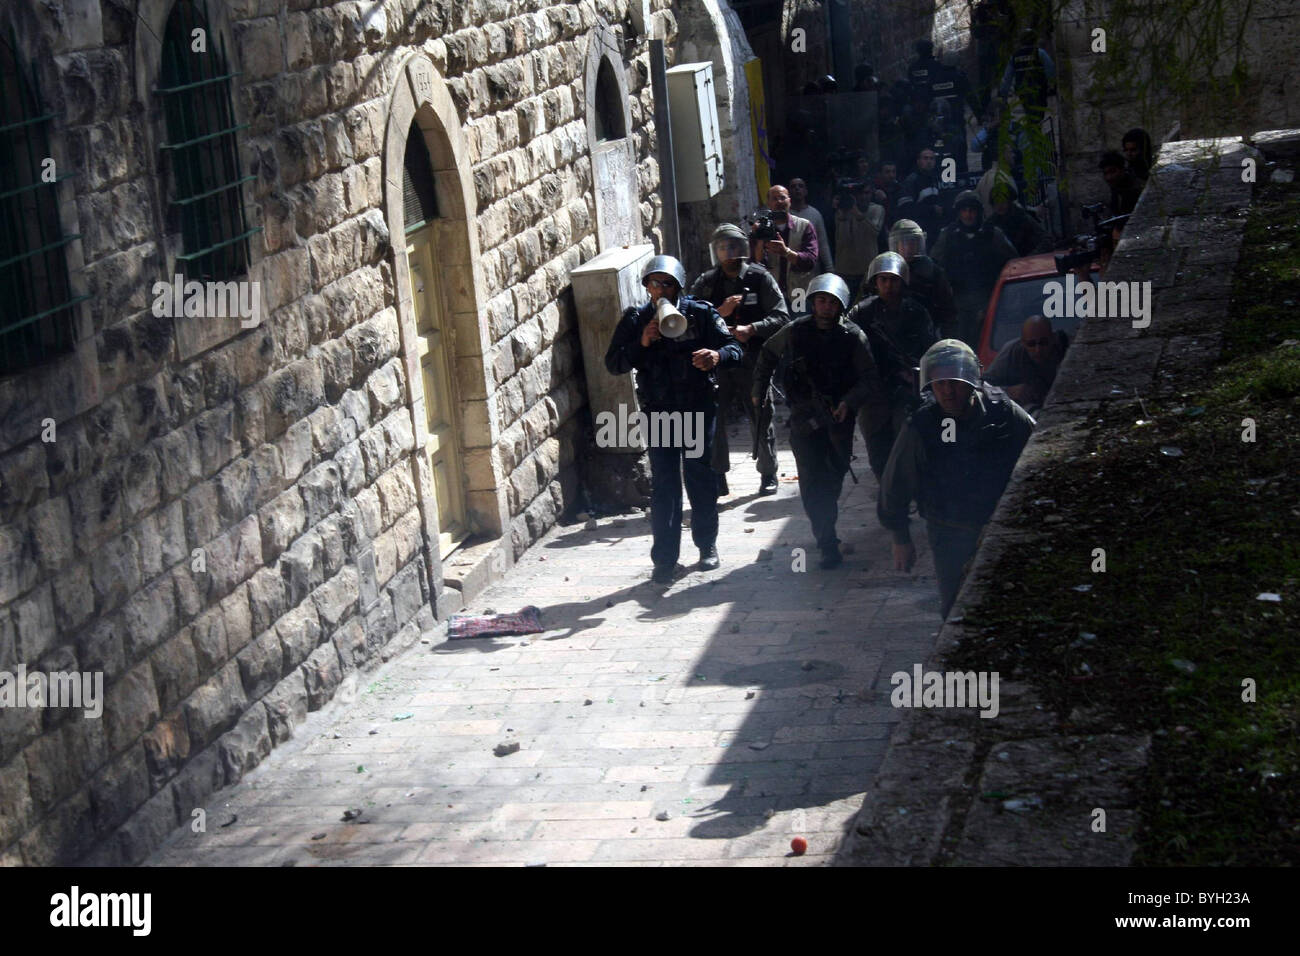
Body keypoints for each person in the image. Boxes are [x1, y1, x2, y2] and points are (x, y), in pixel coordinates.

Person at [605, 255, 743, 584]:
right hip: (660, 414)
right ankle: (665, 560)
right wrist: (642, 342)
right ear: (647, 288)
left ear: (678, 286)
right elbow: (614, 363)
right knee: (665, 487)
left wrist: (716, 356)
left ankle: (707, 546)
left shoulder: (700, 313)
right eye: (655, 284)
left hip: (696, 410)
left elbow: (735, 349)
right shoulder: (637, 319)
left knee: (700, 480)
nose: (661, 290)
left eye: (667, 284)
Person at [877, 338, 1035, 616]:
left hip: (999, 525)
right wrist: (900, 537)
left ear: (972, 381)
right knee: (957, 607)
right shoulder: (922, 426)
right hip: (949, 530)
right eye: (940, 384)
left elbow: (1037, 450)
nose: (948, 392)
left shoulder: (1002, 411)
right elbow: (895, 483)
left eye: (955, 383)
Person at [754, 275, 886, 569]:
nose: (826, 307)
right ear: (812, 302)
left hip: (838, 419)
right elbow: (767, 354)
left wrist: (848, 402)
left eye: (832, 302)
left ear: (841, 306)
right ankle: (826, 540)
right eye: (821, 301)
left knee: (834, 477)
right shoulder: (795, 331)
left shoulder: (853, 336)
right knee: (812, 481)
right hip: (803, 418)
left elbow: (870, 379)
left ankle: (826, 525)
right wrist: (759, 390)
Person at [690, 224, 789, 497]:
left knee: (761, 414)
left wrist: (752, 329)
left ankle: (768, 473)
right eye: (722, 248)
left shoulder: (759, 278)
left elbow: (782, 316)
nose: (728, 253)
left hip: (753, 359)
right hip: (718, 361)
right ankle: (718, 475)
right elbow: (688, 320)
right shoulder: (706, 282)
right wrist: (718, 313)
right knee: (714, 418)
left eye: (733, 246)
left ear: (743, 248)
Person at [844, 252, 938, 479]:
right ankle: (887, 489)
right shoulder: (862, 313)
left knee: (905, 445)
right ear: (875, 282)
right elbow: (845, 347)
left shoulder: (916, 312)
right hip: (873, 392)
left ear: (902, 281)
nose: (888, 285)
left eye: (893, 280)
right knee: (878, 451)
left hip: (905, 390)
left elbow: (930, 350)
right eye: (883, 279)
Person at [930, 190, 1018, 347]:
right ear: (958, 212)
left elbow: (1013, 262)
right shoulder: (948, 235)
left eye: (972, 210)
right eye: (964, 210)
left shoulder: (993, 234)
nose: (968, 215)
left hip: (988, 298)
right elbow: (934, 264)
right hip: (958, 301)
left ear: (978, 212)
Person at [751, 184, 821, 309]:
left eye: (782, 198)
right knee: (774, 321)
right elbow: (755, 264)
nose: (779, 201)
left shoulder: (804, 226)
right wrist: (759, 238)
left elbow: (810, 260)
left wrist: (786, 252)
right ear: (768, 203)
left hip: (798, 292)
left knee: (800, 319)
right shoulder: (761, 228)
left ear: (789, 201)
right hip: (771, 293)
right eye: (774, 198)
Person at [886, 218, 958, 339]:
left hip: (926, 333)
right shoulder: (886, 270)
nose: (908, 247)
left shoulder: (932, 271)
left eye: (912, 242)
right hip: (892, 333)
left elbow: (948, 309)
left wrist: (946, 337)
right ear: (896, 244)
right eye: (904, 243)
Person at [983, 314, 1069, 412]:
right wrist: (1009, 391)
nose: (1038, 350)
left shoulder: (1065, 348)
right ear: (1023, 343)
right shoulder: (1012, 353)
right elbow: (982, 387)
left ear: (1053, 339)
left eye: (1043, 342)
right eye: (1031, 344)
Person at [833, 183, 886, 298]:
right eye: (859, 194)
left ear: (872, 194)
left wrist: (856, 212)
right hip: (844, 270)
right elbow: (841, 238)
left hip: (867, 270)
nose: (863, 197)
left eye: (866, 193)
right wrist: (841, 211)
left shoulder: (876, 209)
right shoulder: (842, 209)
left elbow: (874, 232)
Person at [987, 178, 1053, 256]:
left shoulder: (1022, 218)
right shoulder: (991, 223)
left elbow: (1046, 239)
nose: (999, 205)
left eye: (1003, 201)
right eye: (996, 202)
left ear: (1009, 202)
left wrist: (1031, 256)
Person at [898, 146, 945, 244]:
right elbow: (906, 209)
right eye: (925, 158)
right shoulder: (911, 181)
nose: (929, 161)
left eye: (931, 158)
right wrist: (932, 209)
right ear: (918, 161)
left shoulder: (935, 180)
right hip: (918, 234)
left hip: (933, 232)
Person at [789, 177, 834, 273]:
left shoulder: (815, 214)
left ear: (805, 191)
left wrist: (830, 268)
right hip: (789, 268)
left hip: (811, 270)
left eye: (800, 186)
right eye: (793, 187)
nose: (797, 189)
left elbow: (822, 243)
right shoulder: (784, 215)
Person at [1099, 150, 1143, 217]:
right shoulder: (1116, 187)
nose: (1109, 177)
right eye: (1105, 173)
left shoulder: (1135, 188)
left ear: (1122, 169)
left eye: (1112, 171)